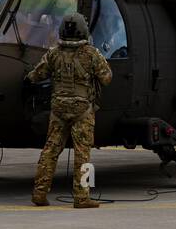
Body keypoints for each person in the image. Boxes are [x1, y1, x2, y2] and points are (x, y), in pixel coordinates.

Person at [26, 12, 112, 208]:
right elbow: (107, 78)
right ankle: (82, 197)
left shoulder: (53, 53)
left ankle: (39, 193)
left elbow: (36, 75)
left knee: (50, 150)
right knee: (83, 153)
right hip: (82, 108)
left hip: (58, 108)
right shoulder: (91, 54)